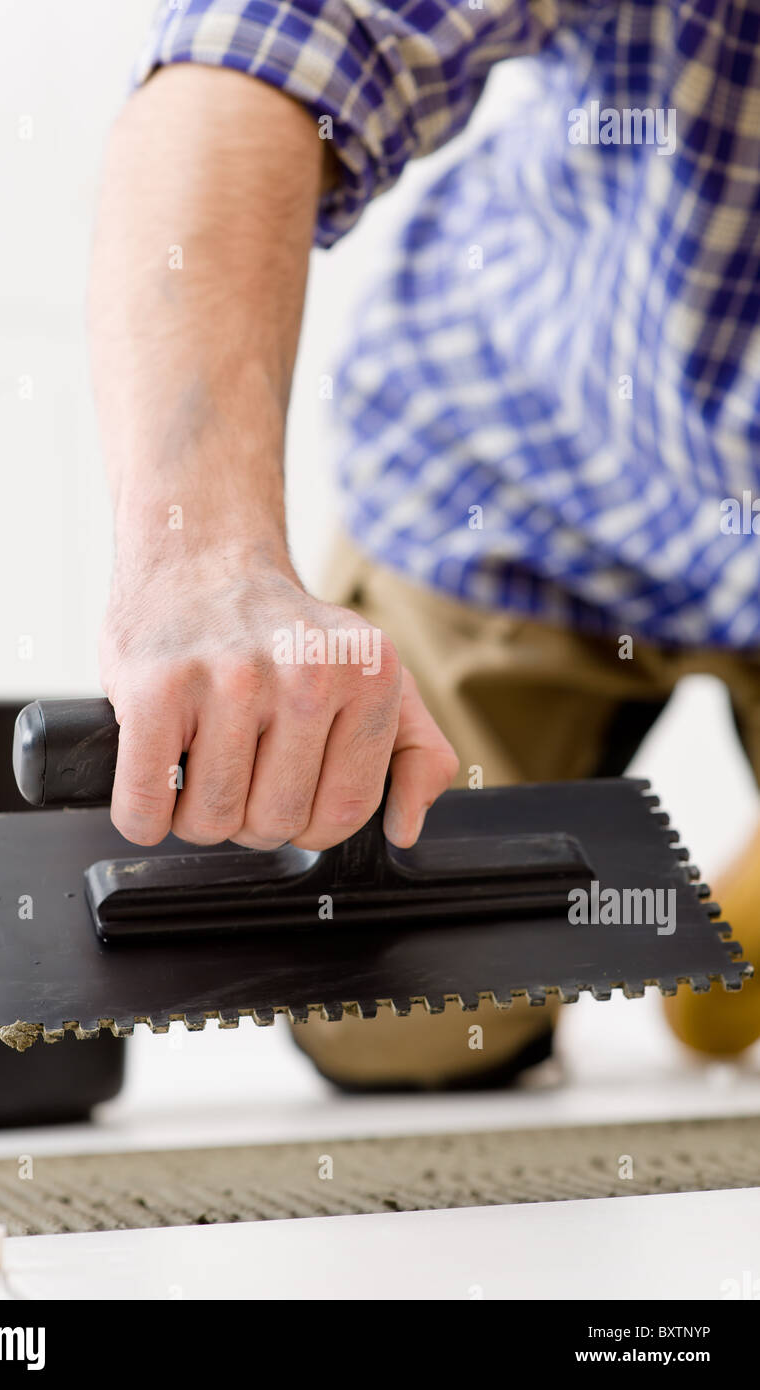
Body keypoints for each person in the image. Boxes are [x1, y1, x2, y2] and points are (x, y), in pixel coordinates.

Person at [88, 1, 760, 1089]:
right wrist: (204, 564)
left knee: (721, 1009)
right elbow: (258, 55)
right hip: (519, 470)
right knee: (386, 1010)